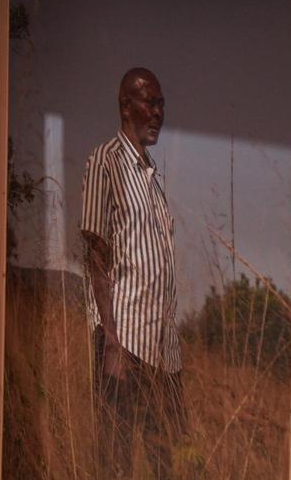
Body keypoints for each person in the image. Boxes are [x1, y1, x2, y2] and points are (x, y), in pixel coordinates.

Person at [81, 67, 185, 478]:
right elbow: (96, 256)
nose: (158, 112)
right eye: (150, 102)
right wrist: (111, 343)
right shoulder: (105, 160)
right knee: (117, 463)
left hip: (164, 352)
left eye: (161, 104)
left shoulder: (154, 179)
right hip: (125, 345)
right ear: (126, 105)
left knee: (167, 461)